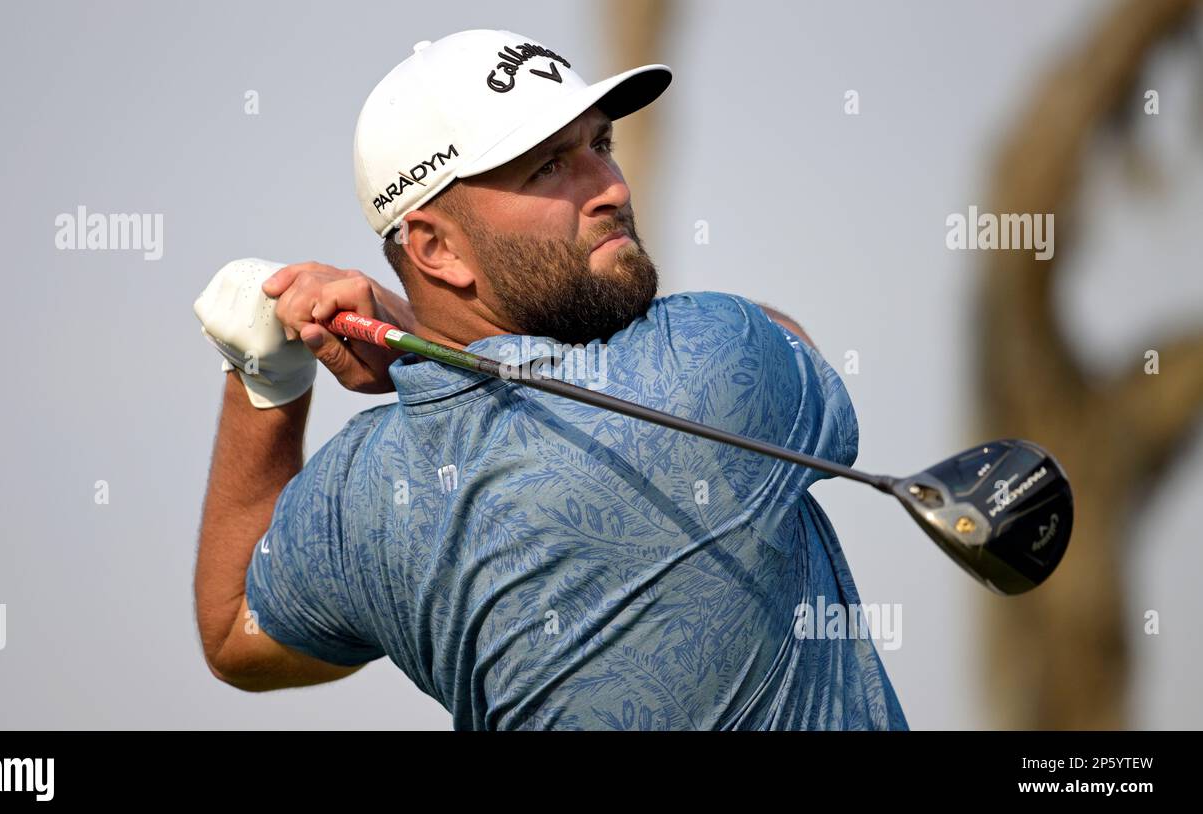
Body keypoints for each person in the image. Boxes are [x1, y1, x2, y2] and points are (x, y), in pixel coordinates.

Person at [193, 29, 907, 730]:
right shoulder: (709, 357)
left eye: (601, 145)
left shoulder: (364, 493)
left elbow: (233, 631)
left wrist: (267, 375)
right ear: (436, 247)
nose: (612, 188)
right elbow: (791, 342)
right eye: (548, 168)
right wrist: (413, 334)